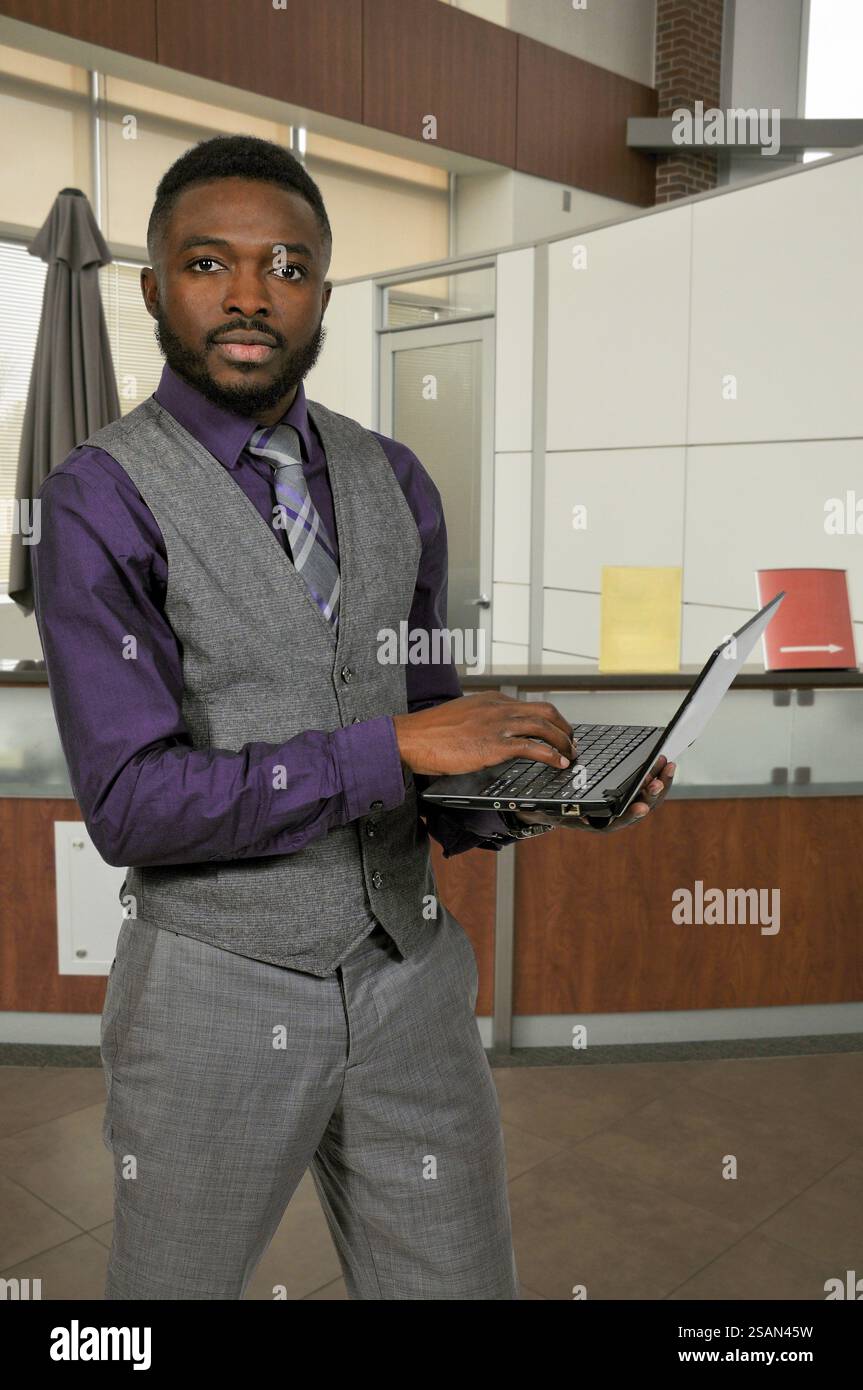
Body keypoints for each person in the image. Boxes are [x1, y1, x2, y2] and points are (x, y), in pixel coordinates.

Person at [32, 135, 675, 1300]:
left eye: (284, 264)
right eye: (205, 263)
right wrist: (390, 748)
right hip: (213, 994)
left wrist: (534, 797)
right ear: (152, 288)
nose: (245, 295)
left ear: (320, 289)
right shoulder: (98, 495)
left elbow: (431, 742)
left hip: (410, 977)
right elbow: (130, 803)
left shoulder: (396, 480)